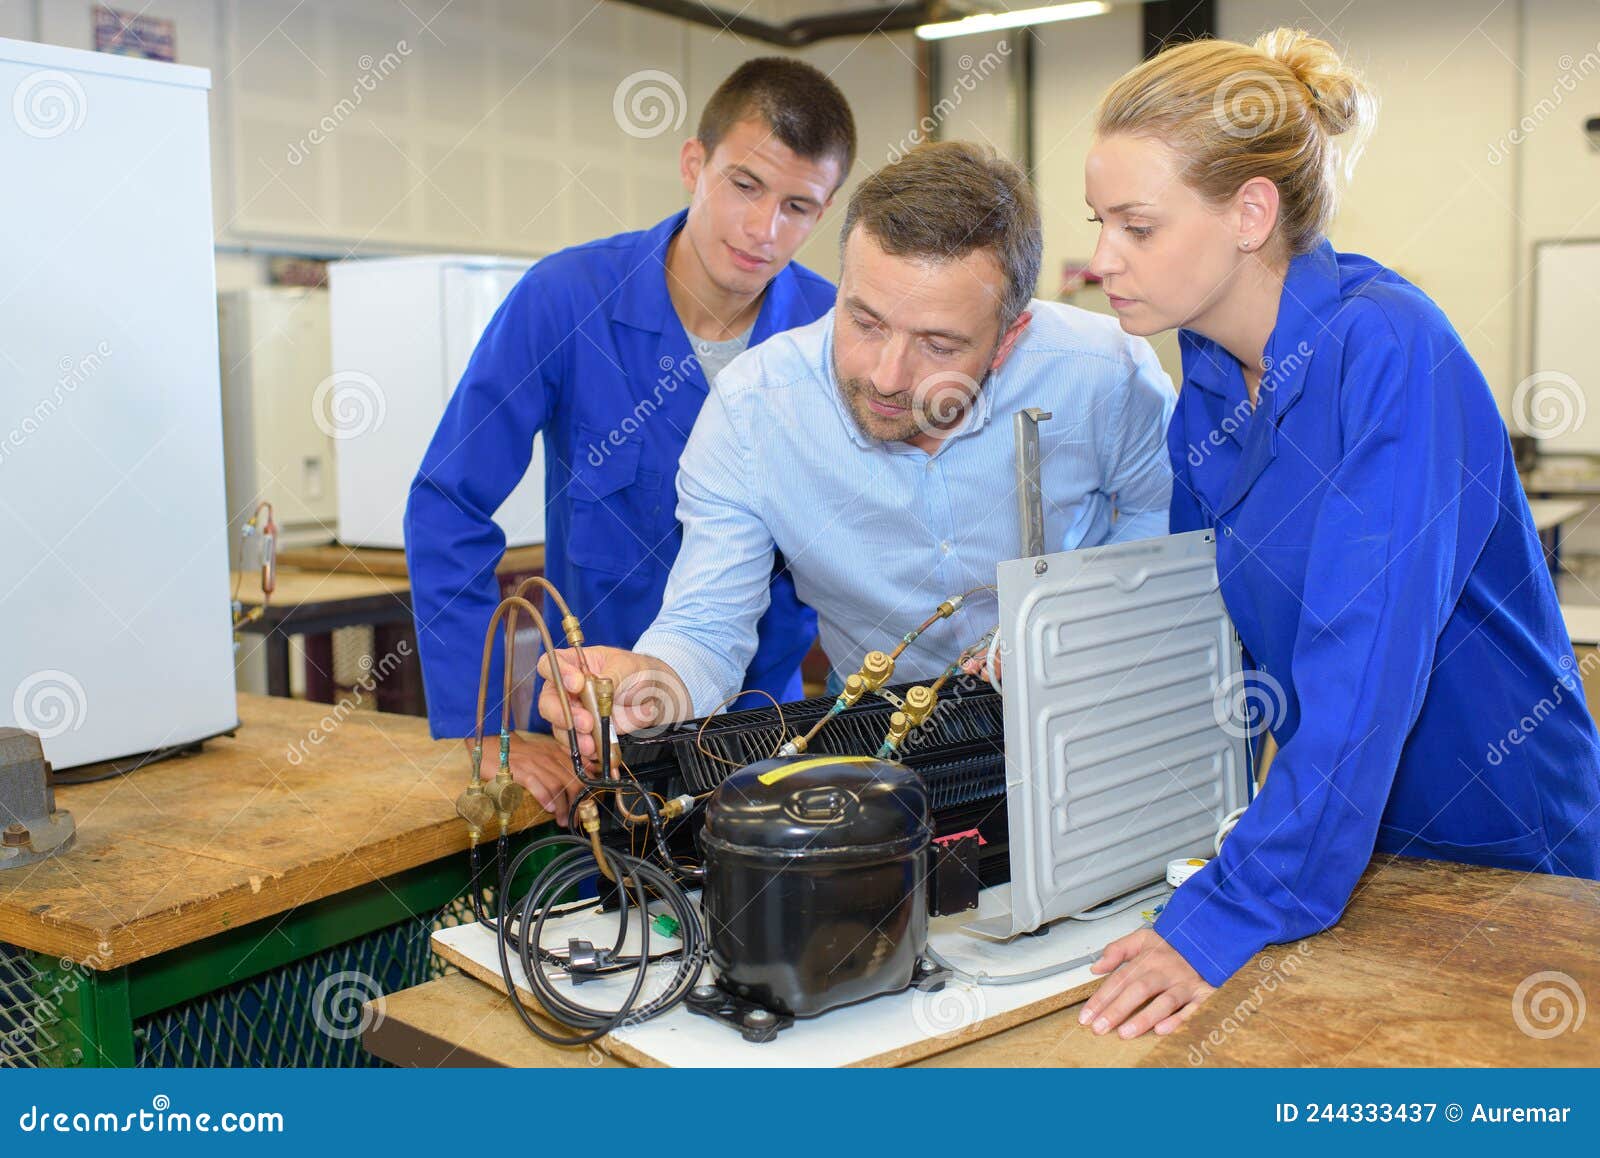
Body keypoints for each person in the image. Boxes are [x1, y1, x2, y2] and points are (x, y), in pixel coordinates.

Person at [1075, 28, 1600, 1041]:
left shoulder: (1391, 347)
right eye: (1099, 222)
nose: (1100, 260)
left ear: (1249, 212)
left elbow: (1360, 660)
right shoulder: (1214, 376)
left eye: (1136, 226)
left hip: (1504, 844)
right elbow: (1204, 629)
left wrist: (1232, 905)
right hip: (1348, 843)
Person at [536, 141, 1175, 766]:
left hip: (1095, 725)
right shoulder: (753, 412)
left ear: (1009, 337)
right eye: (864, 322)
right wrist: (648, 688)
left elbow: (1170, 525)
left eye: (940, 345)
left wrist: (1071, 616)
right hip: (887, 750)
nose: (888, 375)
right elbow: (706, 629)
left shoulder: (1106, 375)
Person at [404, 59, 856, 823]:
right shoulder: (565, 300)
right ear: (694, 163)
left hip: (763, 743)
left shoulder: (837, 337)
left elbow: (875, 542)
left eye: (798, 206)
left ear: (826, 211)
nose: (763, 230)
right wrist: (483, 724)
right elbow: (449, 501)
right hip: (594, 748)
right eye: (745, 185)